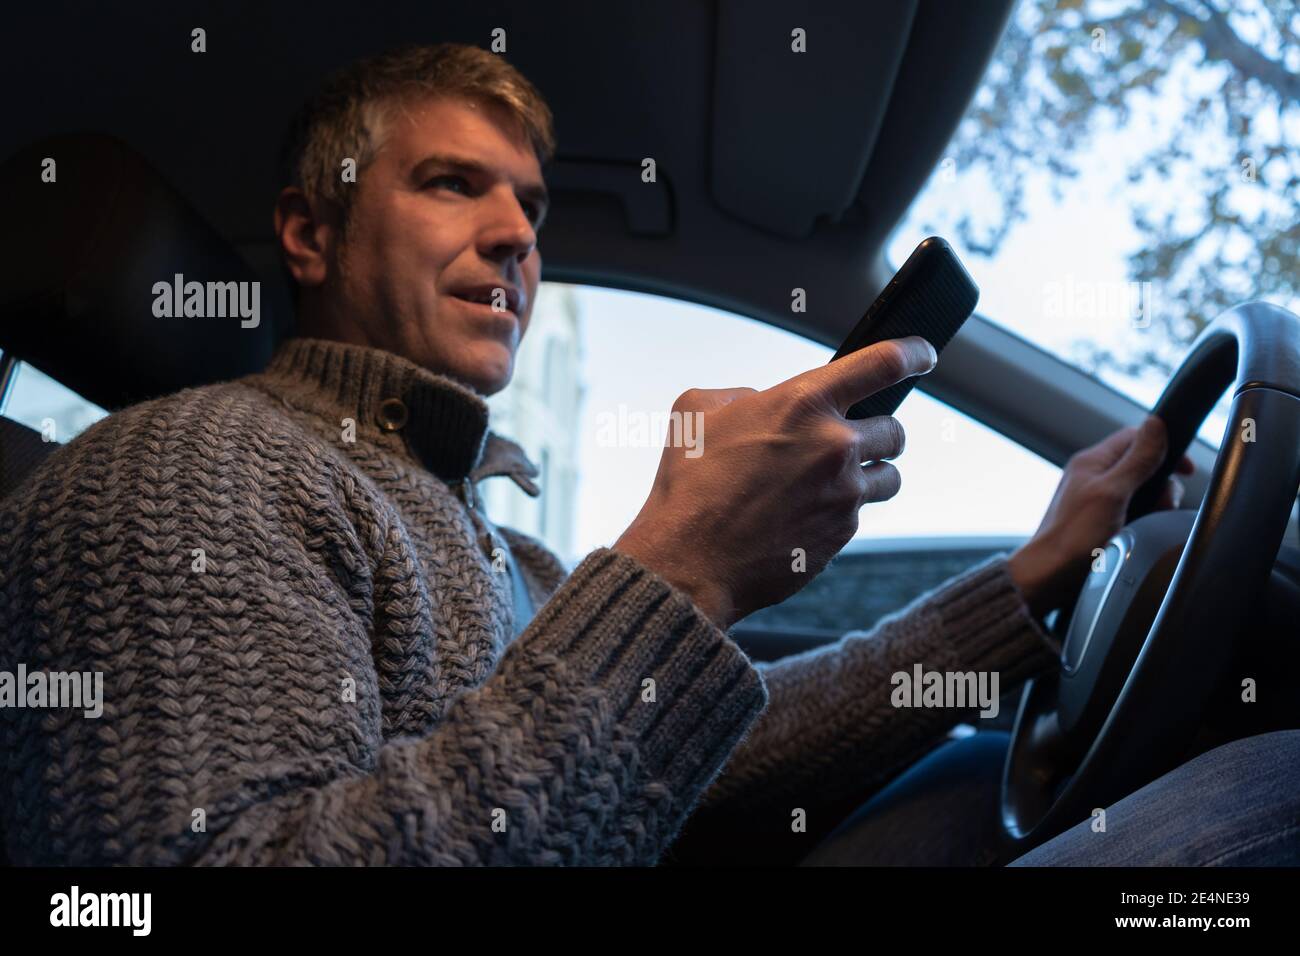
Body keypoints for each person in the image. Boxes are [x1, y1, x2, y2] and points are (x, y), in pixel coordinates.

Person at [0, 43, 1195, 866]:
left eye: (527, 203)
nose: (517, 232)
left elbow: (721, 750)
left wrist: (1029, 578)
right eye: (452, 183)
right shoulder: (180, 471)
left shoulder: (489, 532)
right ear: (310, 234)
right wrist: (681, 573)